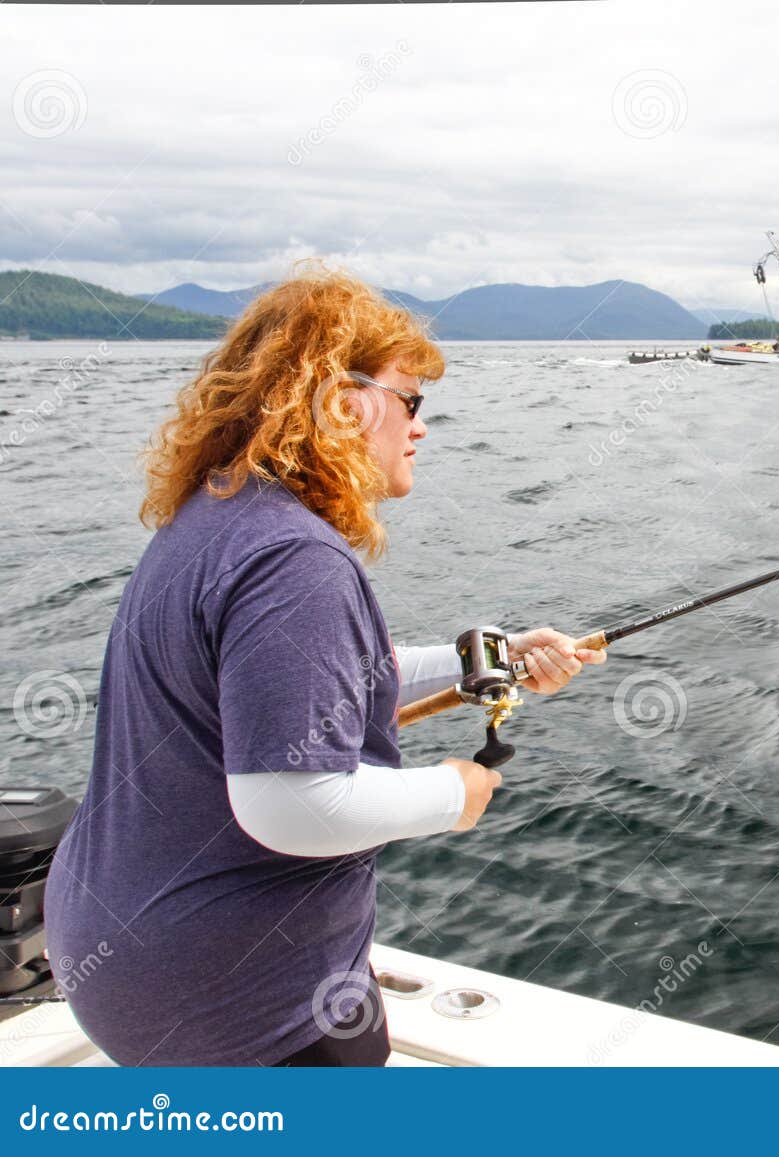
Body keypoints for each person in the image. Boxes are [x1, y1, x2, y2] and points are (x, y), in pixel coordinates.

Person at [43, 265, 605, 1066]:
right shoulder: (294, 560)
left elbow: (328, 679)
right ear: (342, 399)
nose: (420, 426)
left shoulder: (220, 515)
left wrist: (493, 656)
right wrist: (457, 792)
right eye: (409, 401)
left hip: (122, 959)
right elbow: (288, 805)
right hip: (237, 1009)